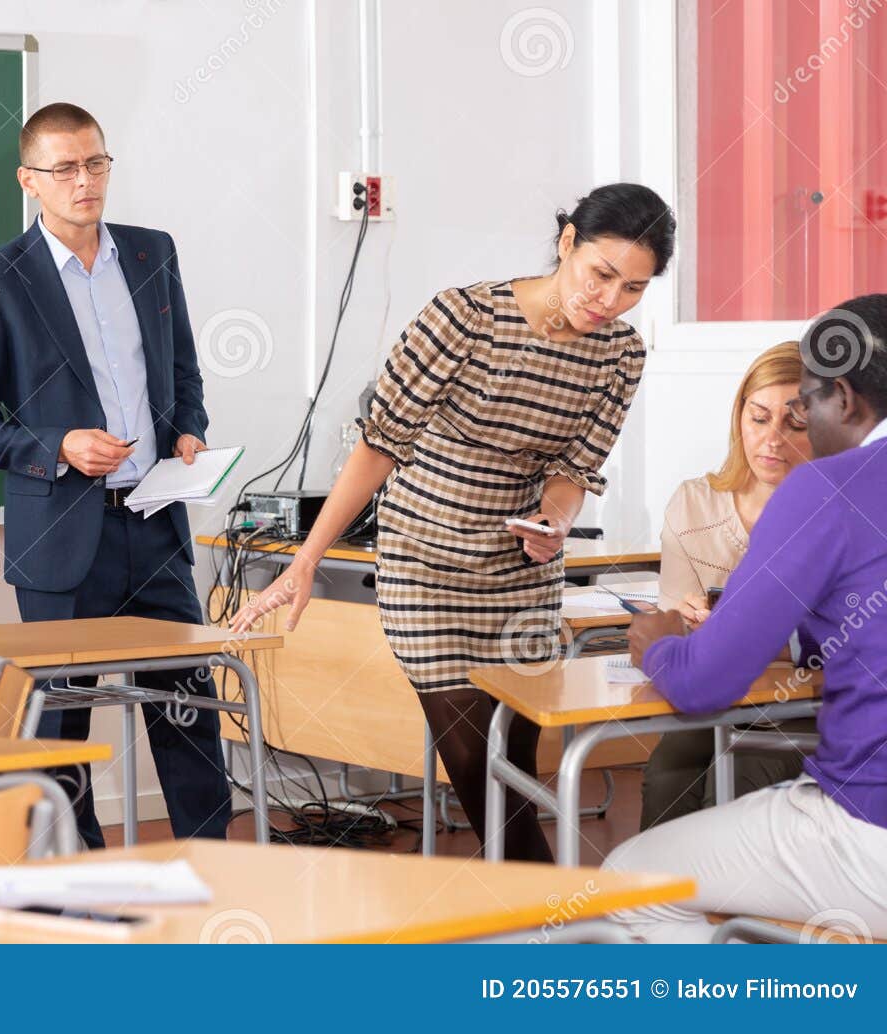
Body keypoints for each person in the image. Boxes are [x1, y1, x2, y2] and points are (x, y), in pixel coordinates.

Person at [233, 184, 677, 862]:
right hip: (424, 563)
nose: (610, 300)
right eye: (602, 275)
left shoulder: (620, 354)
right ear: (567, 244)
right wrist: (306, 559)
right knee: (475, 765)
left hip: (520, 573)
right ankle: (555, 918)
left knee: (517, 762)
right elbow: (379, 445)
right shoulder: (464, 318)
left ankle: (521, 919)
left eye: (633, 289)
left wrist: (553, 520)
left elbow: (575, 469)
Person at [0, 102, 231, 847]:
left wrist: (189, 431)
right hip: (61, 538)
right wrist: (59, 445)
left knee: (188, 709)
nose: (85, 181)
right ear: (29, 180)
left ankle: (215, 864)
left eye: (96, 163)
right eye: (65, 168)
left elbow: (182, 372)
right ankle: (79, 880)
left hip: (155, 520)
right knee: (61, 725)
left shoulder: (151, 254)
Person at [609, 294, 887, 943]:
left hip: (870, 825)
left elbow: (705, 684)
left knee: (625, 880)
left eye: (804, 407)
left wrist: (654, 645)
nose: (794, 430)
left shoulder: (829, 487)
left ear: (841, 400)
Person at [640, 341, 815, 829]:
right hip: (719, 691)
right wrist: (690, 624)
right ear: (739, 417)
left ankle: (730, 906)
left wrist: (745, 638)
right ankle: (654, 904)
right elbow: (674, 623)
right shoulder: (695, 503)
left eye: (794, 424)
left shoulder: (835, 509)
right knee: (668, 772)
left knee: (740, 774)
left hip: (806, 701)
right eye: (759, 418)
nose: (772, 440)